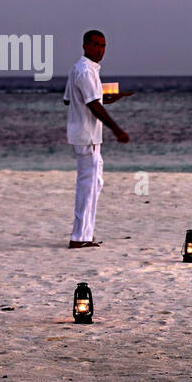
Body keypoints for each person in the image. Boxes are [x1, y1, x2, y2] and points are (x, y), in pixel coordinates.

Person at [64, 30, 131, 247]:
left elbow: (72, 100)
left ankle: (85, 234)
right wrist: (116, 129)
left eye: (103, 46)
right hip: (87, 136)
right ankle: (80, 237)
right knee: (88, 187)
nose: (99, 49)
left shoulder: (82, 69)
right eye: (95, 45)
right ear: (85, 45)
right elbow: (93, 105)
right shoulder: (84, 71)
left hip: (85, 135)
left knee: (96, 183)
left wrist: (110, 98)